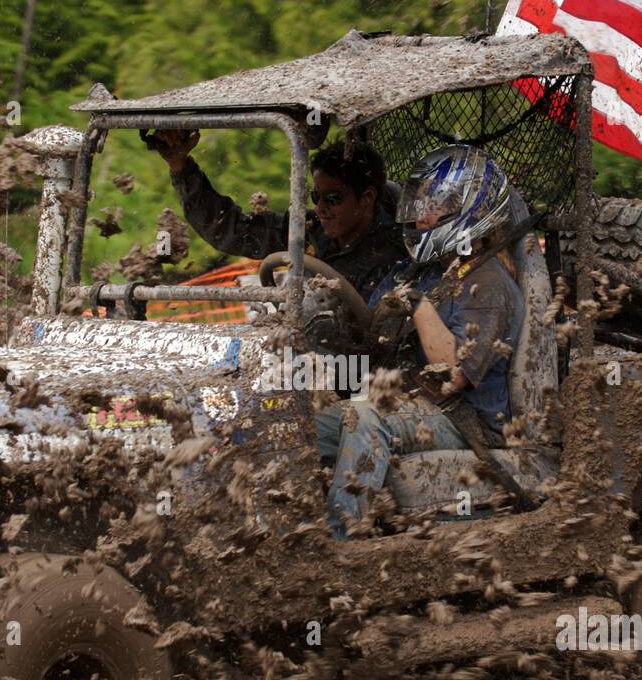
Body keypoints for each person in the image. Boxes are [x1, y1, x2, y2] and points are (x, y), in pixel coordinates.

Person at [313, 145, 527, 540]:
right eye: (421, 202)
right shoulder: (434, 270)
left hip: (467, 420)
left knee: (365, 416)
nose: (421, 214)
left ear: (469, 210)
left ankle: (341, 543)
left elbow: (452, 376)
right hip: (421, 404)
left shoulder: (489, 282)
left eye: (435, 205)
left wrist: (416, 304)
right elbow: (370, 328)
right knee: (308, 425)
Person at [147, 129, 402, 299]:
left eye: (334, 199)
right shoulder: (308, 230)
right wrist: (180, 166)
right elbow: (232, 230)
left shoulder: (396, 253)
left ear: (367, 198)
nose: (321, 208)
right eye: (316, 197)